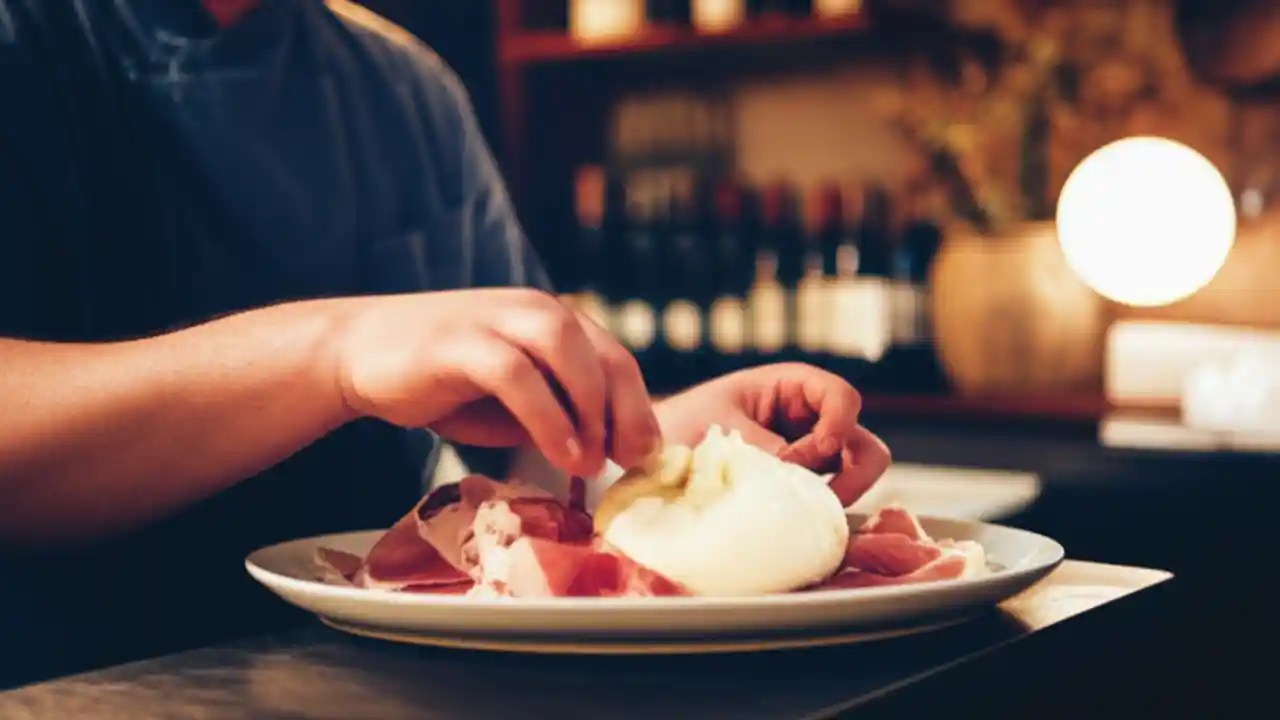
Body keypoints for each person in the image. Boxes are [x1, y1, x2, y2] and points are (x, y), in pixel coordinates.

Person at [0, 0, 891, 687]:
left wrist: (658, 448)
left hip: (387, 691)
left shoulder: (404, 93)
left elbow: (531, 474)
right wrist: (337, 353)